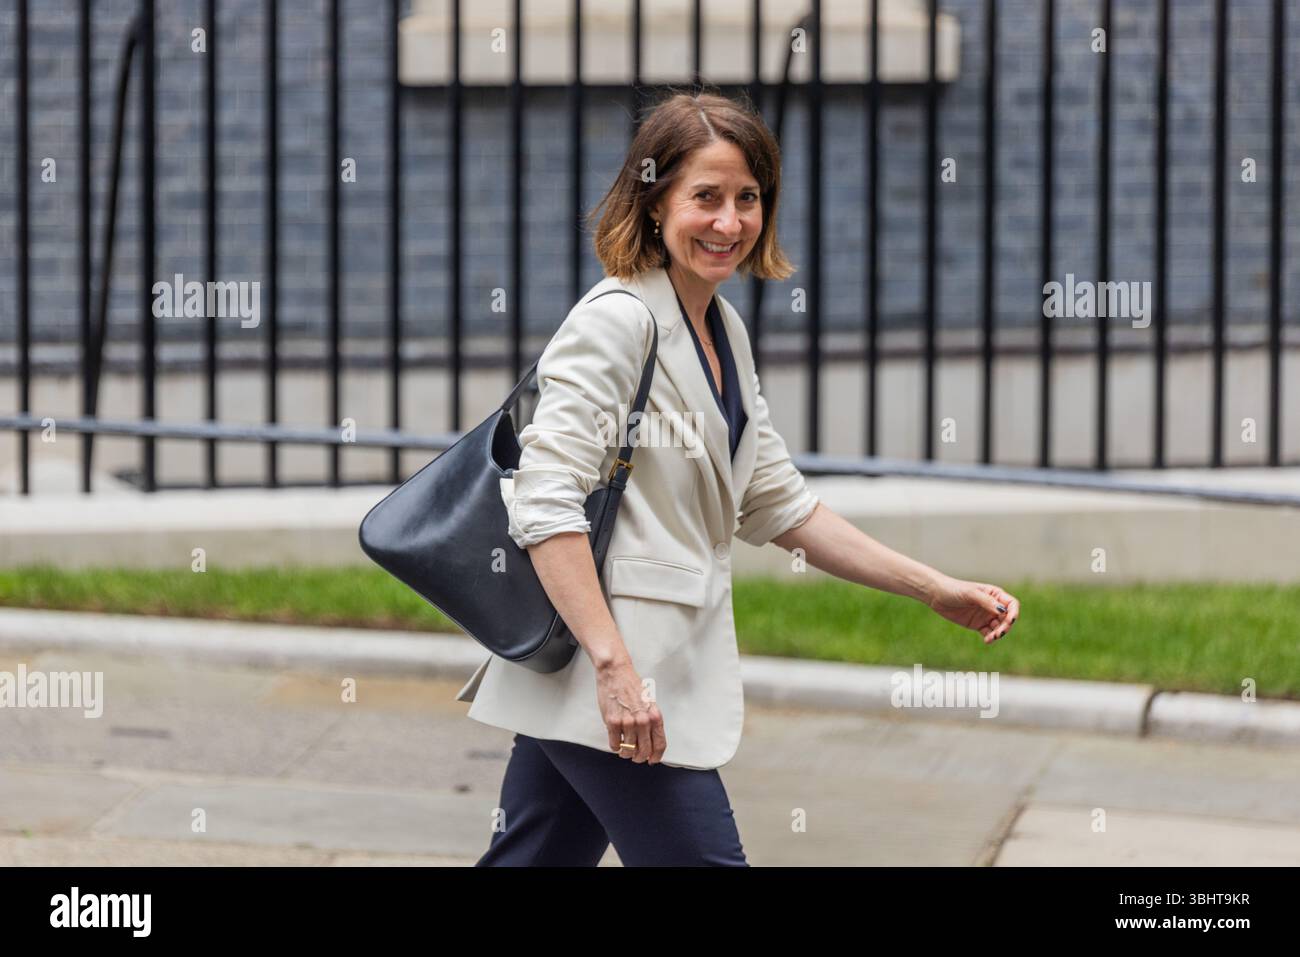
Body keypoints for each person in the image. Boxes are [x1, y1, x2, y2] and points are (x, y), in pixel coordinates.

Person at [458, 89, 1021, 867]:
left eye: (748, 198)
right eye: (706, 198)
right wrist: (617, 669)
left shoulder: (721, 327)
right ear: (655, 204)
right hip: (622, 681)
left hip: (607, 681)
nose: (729, 222)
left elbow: (778, 501)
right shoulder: (619, 321)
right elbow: (544, 499)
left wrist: (933, 587)